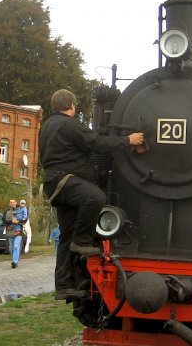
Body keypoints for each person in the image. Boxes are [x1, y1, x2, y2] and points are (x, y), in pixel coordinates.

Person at [38, 89, 143, 301]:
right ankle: (83, 241)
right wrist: (127, 140)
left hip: (54, 183)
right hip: (66, 180)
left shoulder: (47, 126)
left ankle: (64, 286)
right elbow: (98, 143)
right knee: (95, 197)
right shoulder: (68, 124)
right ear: (72, 106)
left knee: (65, 238)